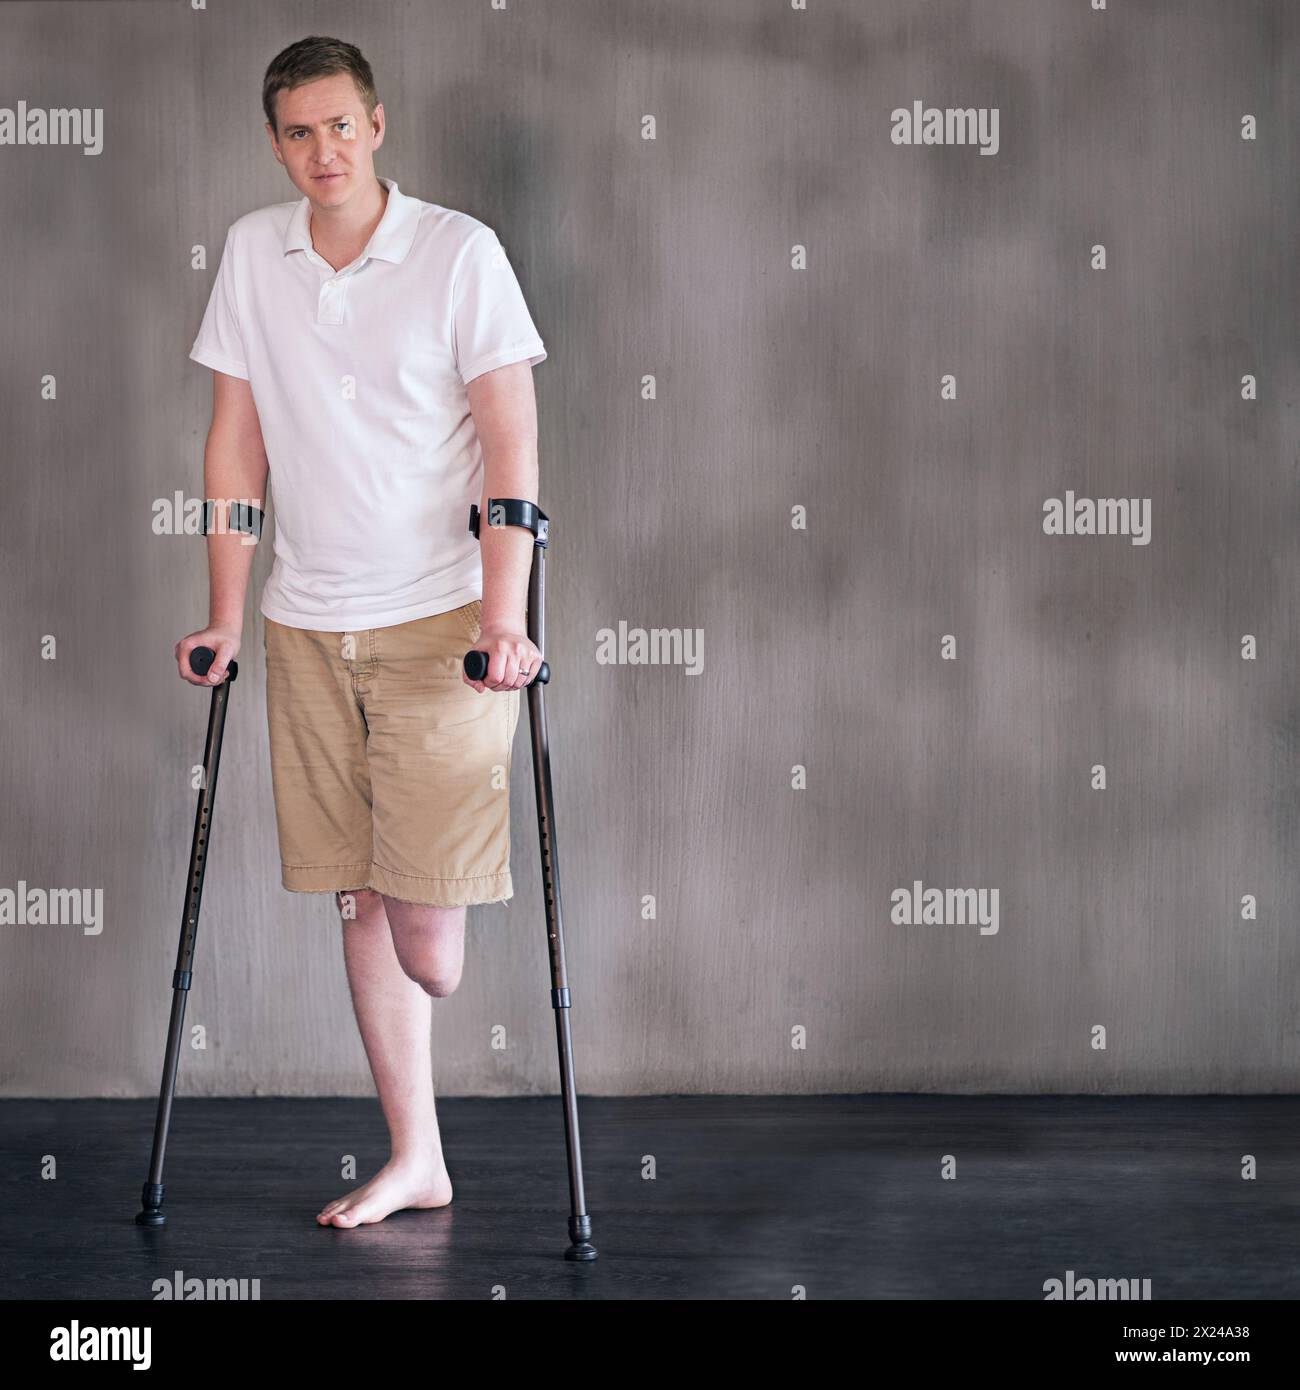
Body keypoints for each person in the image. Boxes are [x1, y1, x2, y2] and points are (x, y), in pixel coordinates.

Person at [175, 35, 548, 1229]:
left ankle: (421, 1127)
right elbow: (236, 440)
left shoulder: (457, 253)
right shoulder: (251, 252)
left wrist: (507, 616)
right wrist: (225, 614)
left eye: (340, 126)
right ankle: (415, 1156)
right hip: (305, 623)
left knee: (426, 940)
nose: (321, 151)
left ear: (377, 126)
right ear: (274, 141)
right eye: (297, 132)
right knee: (356, 898)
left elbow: (510, 444)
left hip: (441, 620)